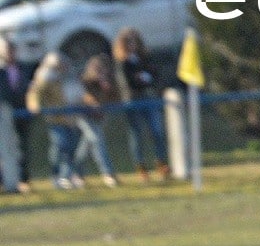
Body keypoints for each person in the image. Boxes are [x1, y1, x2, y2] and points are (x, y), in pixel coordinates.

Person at [115, 28, 169, 181]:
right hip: (133, 100)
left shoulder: (144, 58)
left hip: (148, 97)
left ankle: (161, 163)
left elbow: (155, 74)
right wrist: (137, 79)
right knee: (136, 134)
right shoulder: (123, 62)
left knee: (157, 131)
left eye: (135, 41)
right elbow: (126, 83)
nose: (133, 45)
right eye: (129, 42)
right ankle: (141, 167)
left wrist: (147, 78)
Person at [26, 53, 81, 189]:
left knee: (71, 149)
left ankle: (67, 175)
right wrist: (35, 106)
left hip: (71, 119)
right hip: (56, 119)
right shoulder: (46, 78)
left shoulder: (69, 77)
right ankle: (56, 175)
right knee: (61, 146)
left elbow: (77, 93)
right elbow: (35, 93)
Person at [76, 53, 121, 188]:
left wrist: (108, 90)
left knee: (86, 145)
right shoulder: (85, 81)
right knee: (97, 141)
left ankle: (76, 173)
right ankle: (108, 174)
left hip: (100, 117)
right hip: (84, 116)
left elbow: (116, 98)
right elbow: (83, 97)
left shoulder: (109, 81)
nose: (101, 72)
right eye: (98, 69)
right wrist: (93, 102)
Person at [0, 34, 26, 194]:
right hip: (3, 109)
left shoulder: (11, 68)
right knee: (8, 149)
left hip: (5, 109)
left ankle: (11, 184)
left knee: (9, 149)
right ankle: (10, 184)